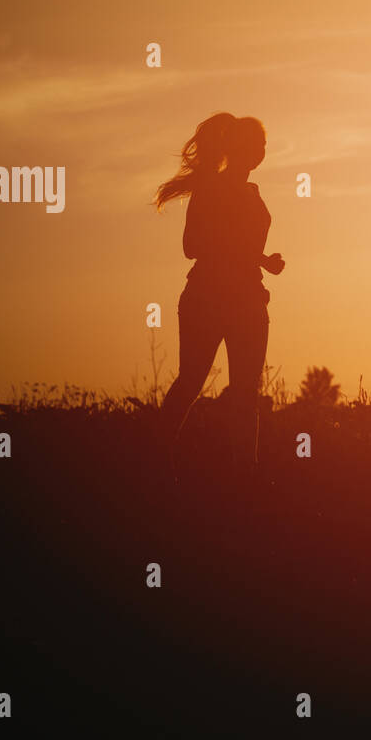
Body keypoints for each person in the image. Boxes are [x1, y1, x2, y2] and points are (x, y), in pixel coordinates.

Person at [152, 113, 284, 478]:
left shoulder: (252, 192)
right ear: (238, 148)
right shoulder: (210, 188)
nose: (261, 151)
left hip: (249, 299)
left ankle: (245, 474)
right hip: (207, 297)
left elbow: (237, 245)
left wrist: (263, 261)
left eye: (263, 145)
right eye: (256, 144)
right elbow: (192, 245)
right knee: (191, 380)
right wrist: (248, 255)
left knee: (246, 394)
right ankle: (155, 460)